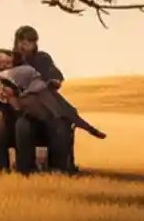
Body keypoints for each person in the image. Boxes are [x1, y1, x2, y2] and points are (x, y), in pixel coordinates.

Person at [10, 26, 91, 173]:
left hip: (47, 108)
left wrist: (53, 82)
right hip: (21, 110)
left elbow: (55, 75)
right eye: (22, 40)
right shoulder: (11, 60)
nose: (25, 44)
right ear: (17, 42)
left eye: (30, 41)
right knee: (23, 127)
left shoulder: (43, 58)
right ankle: (25, 169)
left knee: (61, 126)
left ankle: (60, 167)